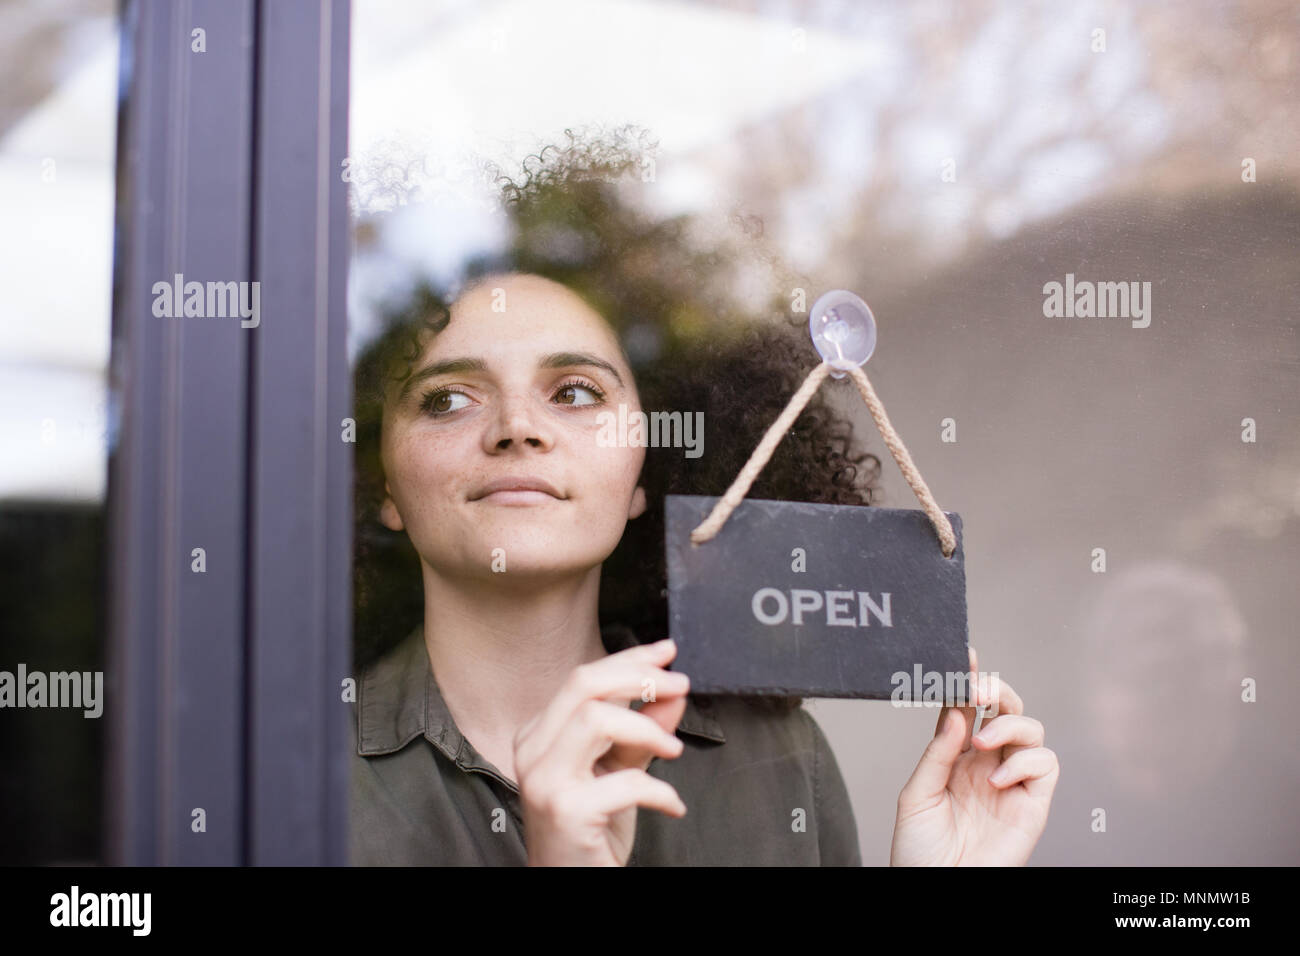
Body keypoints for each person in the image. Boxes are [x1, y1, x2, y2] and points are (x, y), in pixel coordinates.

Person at [347, 132, 1058, 865]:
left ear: (644, 475)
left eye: (578, 392)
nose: (518, 428)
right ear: (380, 485)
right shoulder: (290, 775)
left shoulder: (781, 762)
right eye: (447, 401)